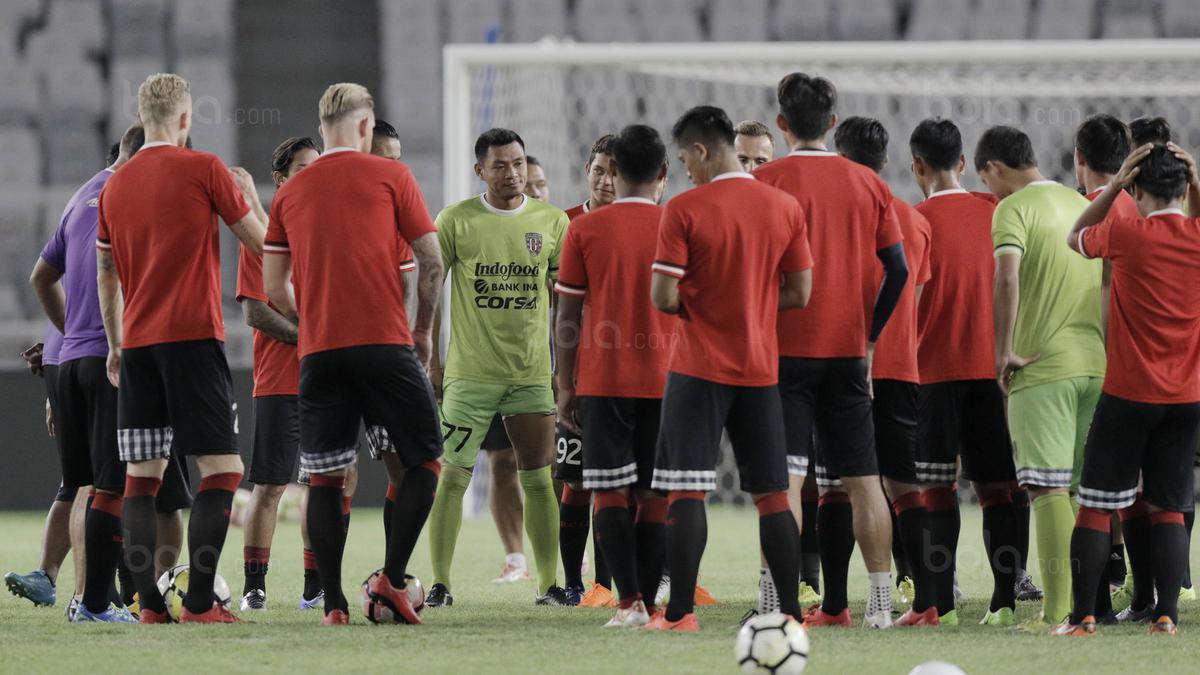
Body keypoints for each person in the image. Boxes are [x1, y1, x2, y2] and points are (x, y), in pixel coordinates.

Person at [263, 82, 444, 626]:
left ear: (323, 128)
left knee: (323, 478)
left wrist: (311, 318)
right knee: (425, 459)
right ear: (366, 127)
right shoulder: (392, 175)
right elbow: (432, 264)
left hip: (320, 354)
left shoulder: (290, 192)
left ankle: (335, 605)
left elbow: (274, 288)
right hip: (386, 345)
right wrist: (424, 332)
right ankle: (391, 578)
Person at [96, 73, 266, 624]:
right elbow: (261, 243)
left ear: (142, 119)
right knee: (222, 471)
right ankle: (197, 604)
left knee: (140, 481)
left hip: (138, 347)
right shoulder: (204, 168)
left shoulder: (114, 186)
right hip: (192, 339)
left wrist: (117, 343)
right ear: (187, 119)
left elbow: (106, 275)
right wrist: (252, 201)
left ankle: (149, 606)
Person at [645, 105, 812, 633]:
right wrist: (755, 305)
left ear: (700, 150)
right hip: (761, 371)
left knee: (687, 489)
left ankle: (680, 616)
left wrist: (703, 306)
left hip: (697, 369)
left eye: (685, 159)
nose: (686, 171)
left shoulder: (684, 209)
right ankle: (788, 613)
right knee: (772, 495)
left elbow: (662, 295)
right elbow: (802, 292)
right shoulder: (783, 206)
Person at [755, 73, 906, 630]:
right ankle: (881, 608)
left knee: (785, 482)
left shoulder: (766, 181)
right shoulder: (867, 184)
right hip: (847, 353)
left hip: (784, 352)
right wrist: (868, 336)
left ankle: (775, 604)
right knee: (864, 480)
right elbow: (899, 268)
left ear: (782, 124)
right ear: (834, 123)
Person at [1059, 142, 1200, 636]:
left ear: (1135, 190)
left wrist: (1113, 184)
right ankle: (1166, 615)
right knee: (1168, 505)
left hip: (1127, 394)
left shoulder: (1125, 232)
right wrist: (1194, 181)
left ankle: (1083, 618)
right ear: (1186, 189)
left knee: (1096, 503)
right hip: (1185, 399)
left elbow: (1074, 235)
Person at [425, 128, 570, 607]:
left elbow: (565, 303)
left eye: (519, 163)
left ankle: (548, 585)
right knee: (453, 475)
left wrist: (563, 366)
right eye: (501, 166)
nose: (513, 174)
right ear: (479, 171)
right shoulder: (455, 220)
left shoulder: (551, 223)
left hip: (530, 373)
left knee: (539, 477)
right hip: (469, 375)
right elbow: (432, 287)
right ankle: (442, 583)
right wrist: (433, 353)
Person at [974, 123, 1109, 629]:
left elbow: (1006, 275)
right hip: (1093, 364)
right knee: (1078, 492)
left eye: (986, 178)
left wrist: (1003, 351)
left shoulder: (1011, 209)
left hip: (1042, 366)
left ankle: (1058, 612)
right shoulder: (1080, 204)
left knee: (1047, 491)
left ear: (993, 168)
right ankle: (1087, 609)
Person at [905, 118, 1024, 627]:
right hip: (994, 373)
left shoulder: (910, 221)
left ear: (917, 167)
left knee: (935, 492)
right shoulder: (997, 209)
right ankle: (1003, 603)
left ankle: (940, 607)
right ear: (961, 164)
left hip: (931, 375)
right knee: (1001, 490)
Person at [554, 123, 672, 628]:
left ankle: (629, 605)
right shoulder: (679, 223)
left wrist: (564, 384)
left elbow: (567, 318)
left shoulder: (582, 230)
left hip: (601, 381)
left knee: (607, 490)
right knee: (654, 494)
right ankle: (654, 594)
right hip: (671, 380)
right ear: (663, 173)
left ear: (615, 172)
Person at [833, 116, 936, 626]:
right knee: (904, 487)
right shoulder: (914, 220)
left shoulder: (835, 214)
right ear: (886, 161)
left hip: (844, 363)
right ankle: (928, 602)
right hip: (901, 368)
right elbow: (913, 300)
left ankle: (834, 606)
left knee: (836, 485)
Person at [234, 136, 322, 611]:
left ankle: (315, 586)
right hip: (280, 381)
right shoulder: (263, 236)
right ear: (282, 179)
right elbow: (256, 313)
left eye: (318, 167)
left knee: (321, 484)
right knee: (268, 485)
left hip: (326, 381)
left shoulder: (332, 233)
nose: (312, 175)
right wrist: (314, 338)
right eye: (302, 168)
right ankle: (255, 585)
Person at [560, 133, 617, 606]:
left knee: (616, 483)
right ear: (587, 170)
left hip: (622, 372)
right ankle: (574, 584)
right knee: (576, 481)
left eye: (615, 171)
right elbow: (555, 310)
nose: (605, 180)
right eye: (599, 169)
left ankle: (606, 583)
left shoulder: (642, 224)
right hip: (575, 374)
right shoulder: (566, 225)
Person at [5, 327, 74, 610]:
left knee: (104, 483)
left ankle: (122, 588)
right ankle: (46, 576)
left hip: (97, 363)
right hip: (70, 365)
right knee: (77, 481)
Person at [565, 134, 617, 219]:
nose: (606, 181)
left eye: (614, 173)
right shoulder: (564, 221)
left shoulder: (637, 224)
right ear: (588, 170)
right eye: (599, 171)